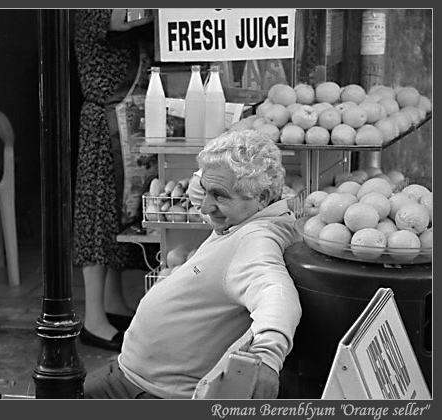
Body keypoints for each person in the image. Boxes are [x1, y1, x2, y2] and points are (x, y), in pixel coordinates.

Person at [84, 129, 303, 399]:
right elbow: (206, 188)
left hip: (149, 393)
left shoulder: (255, 241)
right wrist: (216, 172)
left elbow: (277, 295)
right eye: (207, 191)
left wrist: (267, 357)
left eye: (219, 195)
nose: (204, 206)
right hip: (131, 377)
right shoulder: (243, 216)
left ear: (263, 196)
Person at [73, 10, 155, 351]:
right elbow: (126, 17)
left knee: (119, 216)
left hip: (126, 118)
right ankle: (93, 319)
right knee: (97, 218)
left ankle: (112, 303)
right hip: (102, 122)